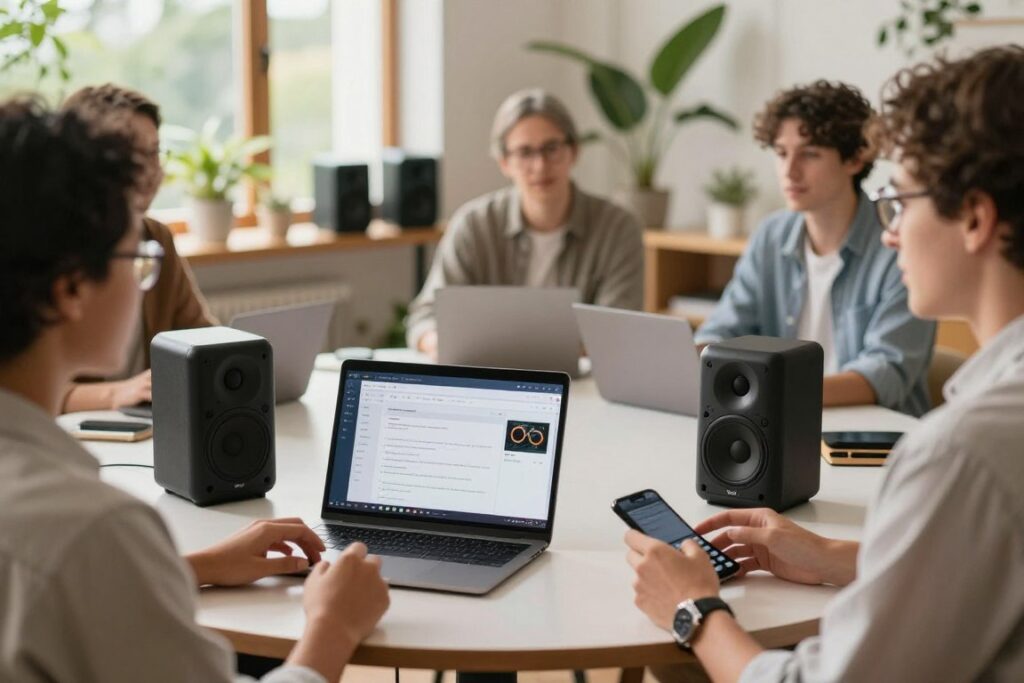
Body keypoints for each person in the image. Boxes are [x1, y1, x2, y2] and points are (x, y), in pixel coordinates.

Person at [626, 46, 1024, 682]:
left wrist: (692, 609)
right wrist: (836, 556)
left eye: (903, 200)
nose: (891, 230)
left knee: (679, 666)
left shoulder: (961, 453)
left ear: (975, 218)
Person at [0, 97, 390, 682]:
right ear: (70, 289)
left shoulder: (72, 536)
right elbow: (79, 566)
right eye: (136, 258)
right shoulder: (90, 529)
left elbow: (64, 600)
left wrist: (192, 565)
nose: (143, 280)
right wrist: (333, 626)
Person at [695, 81, 935, 416]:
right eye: (781, 153)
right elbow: (723, 332)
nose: (789, 172)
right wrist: (690, 361)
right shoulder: (771, 236)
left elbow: (886, 374)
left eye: (809, 154)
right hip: (774, 426)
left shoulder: (898, 245)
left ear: (855, 158)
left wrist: (770, 391)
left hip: (868, 441)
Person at [405, 88, 644, 357]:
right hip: (490, 380)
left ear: (573, 151)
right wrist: (438, 341)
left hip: (582, 384)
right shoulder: (473, 226)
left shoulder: (618, 228)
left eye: (551, 148)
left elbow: (619, 329)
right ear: (504, 162)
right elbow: (424, 317)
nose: (540, 165)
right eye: (525, 152)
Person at [60, 84, 217, 412]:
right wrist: (117, 394)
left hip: (146, 431)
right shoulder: (50, 249)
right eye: (134, 155)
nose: (151, 170)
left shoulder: (155, 237)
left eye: (156, 152)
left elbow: (202, 337)